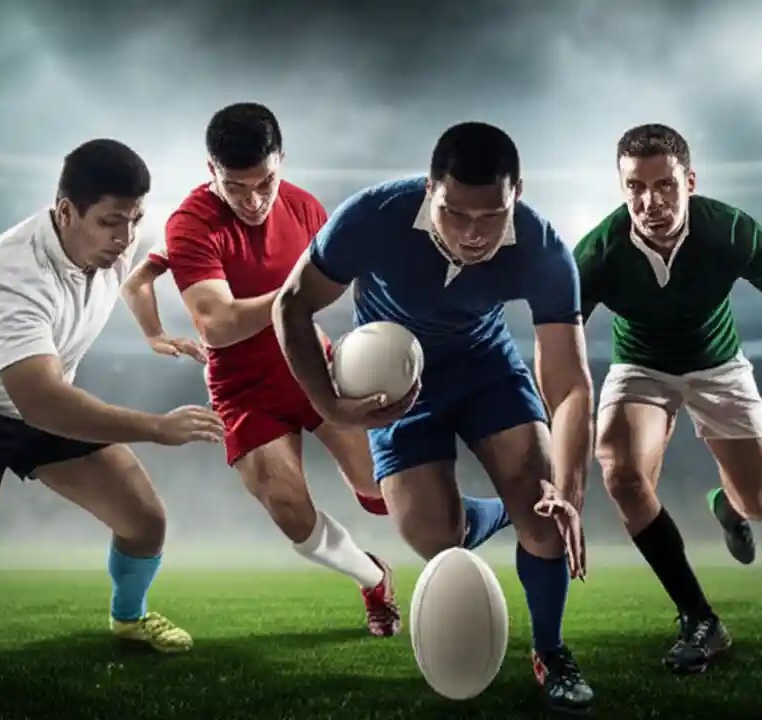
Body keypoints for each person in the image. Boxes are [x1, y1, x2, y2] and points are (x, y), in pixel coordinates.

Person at [122, 103, 512, 636]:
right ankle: (372, 577)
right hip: (243, 387)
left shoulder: (307, 209)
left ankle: (484, 514)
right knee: (289, 510)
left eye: (266, 182)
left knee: (386, 495)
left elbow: (357, 281)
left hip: (316, 362)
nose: (255, 200)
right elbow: (218, 323)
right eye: (237, 187)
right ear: (211, 171)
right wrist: (293, 297)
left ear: (281, 160)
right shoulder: (191, 223)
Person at [274, 121, 596, 715]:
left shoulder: (543, 246)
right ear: (430, 191)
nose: (474, 235)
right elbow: (291, 305)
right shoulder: (373, 216)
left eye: (491, 216)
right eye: (456, 214)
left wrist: (567, 486)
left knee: (546, 517)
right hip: (396, 381)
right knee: (432, 538)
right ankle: (499, 510)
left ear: (516, 195)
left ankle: (550, 652)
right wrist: (328, 405)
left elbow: (570, 383)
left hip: (486, 368)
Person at [0, 139, 224, 665]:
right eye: (110, 222)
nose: (125, 239)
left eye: (134, 220)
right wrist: (154, 427)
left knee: (145, 521)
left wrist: (152, 334)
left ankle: (129, 619)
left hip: (50, 397)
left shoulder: (116, 243)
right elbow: (40, 402)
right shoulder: (14, 273)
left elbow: (134, 283)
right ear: (64, 212)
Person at [572, 123, 762, 673]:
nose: (650, 201)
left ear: (689, 180)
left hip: (719, 366)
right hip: (641, 365)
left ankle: (728, 506)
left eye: (664, 184)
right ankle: (699, 617)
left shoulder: (728, 230)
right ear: (622, 189)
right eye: (635, 187)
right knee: (619, 472)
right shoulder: (598, 251)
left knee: (761, 503)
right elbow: (558, 334)